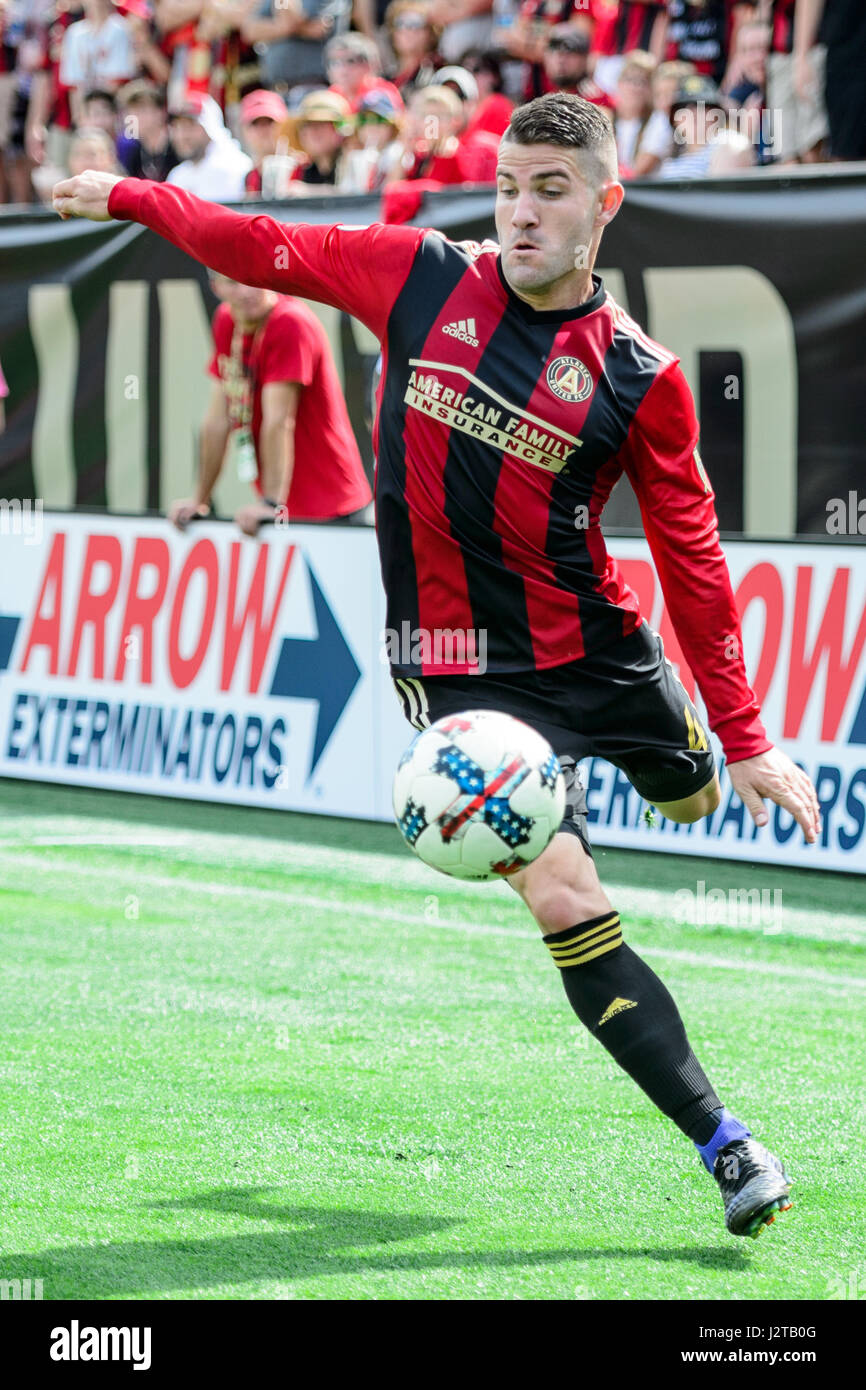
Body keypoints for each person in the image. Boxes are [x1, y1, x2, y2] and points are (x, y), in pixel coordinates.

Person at [53, 90, 821, 1238]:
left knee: (695, 789)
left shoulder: (638, 377)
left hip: (599, 649)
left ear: (603, 206)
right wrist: (131, 193)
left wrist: (744, 735)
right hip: (459, 669)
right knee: (564, 892)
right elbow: (255, 242)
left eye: (548, 192)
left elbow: (691, 555)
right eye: (506, 187)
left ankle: (690, 767)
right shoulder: (415, 274)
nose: (518, 213)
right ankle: (728, 1144)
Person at [166, 270, 372, 534]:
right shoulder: (227, 321)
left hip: (332, 510)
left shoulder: (290, 323)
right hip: (281, 514)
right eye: (233, 282)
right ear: (216, 287)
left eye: (253, 279)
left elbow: (279, 421)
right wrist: (200, 500)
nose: (247, 292)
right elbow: (217, 421)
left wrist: (272, 504)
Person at [166, 90, 251, 198]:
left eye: (190, 126)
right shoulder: (177, 175)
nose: (182, 136)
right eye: (177, 127)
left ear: (210, 127)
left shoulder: (237, 167)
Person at [611, 48, 672, 176]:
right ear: (619, 83)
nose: (635, 88)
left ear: (650, 89)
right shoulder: (607, 117)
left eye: (642, 82)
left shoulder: (658, 121)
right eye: (629, 80)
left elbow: (638, 172)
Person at [116, 77, 180, 182]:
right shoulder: (132, 149)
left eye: (142, 110)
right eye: (131, 111)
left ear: (161, 113)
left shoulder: (178, 143)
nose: (134, 117)